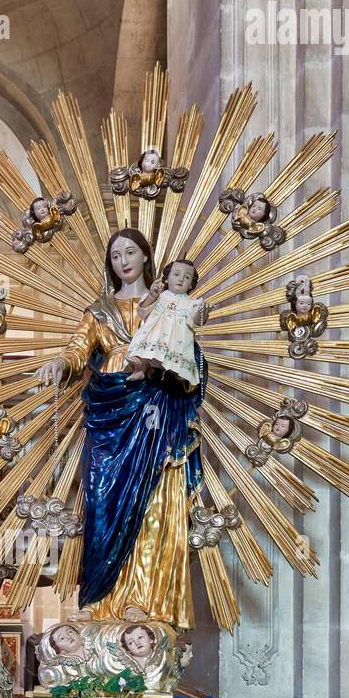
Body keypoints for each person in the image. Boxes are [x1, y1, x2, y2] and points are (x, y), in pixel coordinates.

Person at [37, 229, 205, 625]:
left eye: (130, 252)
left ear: (146, 257)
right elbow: (79, 348)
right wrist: (61, 364)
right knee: (102, 502)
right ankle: (97, 598)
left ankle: (140, 598)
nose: (123, 260)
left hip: (155, 409)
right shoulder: (99, 311)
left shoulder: (169, 305)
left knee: (151, 504)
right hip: (108, 413)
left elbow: (187, 353)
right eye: (115, 256)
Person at [124, 258, 208, 389]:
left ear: (191, 284)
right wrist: (152, 296)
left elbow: (197, 322)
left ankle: (178, 374)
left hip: (176, 341)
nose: (181, 279)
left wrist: (203, 312)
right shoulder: (160, 296)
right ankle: (140, 369)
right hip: (155, 336)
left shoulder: (191, 303)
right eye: (176, 274)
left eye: (186, 277)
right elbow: (142, 312)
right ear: (167, 279)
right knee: (144, 353)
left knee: (176, 362)